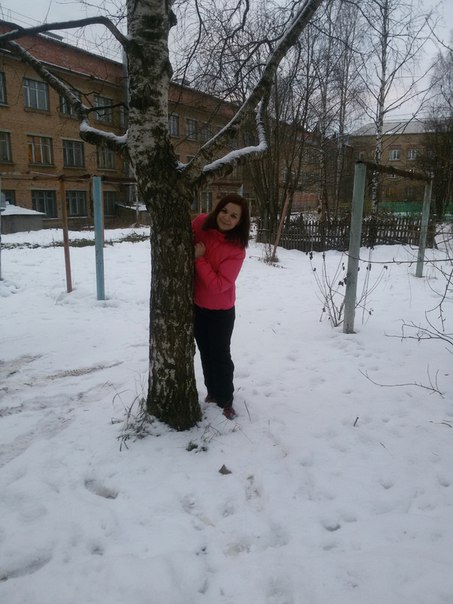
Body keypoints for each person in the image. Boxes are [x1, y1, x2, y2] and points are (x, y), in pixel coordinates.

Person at [192, 193, 250, 420]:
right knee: (205, 352)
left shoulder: (237, 250)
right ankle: (212, 392)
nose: (227, 217)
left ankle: (226, 400)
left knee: (220, 355)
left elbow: (219, 285)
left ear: (240, 222)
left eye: (234, 216)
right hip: (197, 306)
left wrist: (200, 259)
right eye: (224, 211)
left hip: (221, 312)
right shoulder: (200, 224)